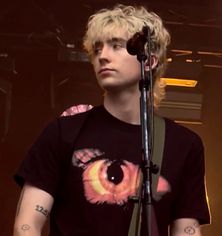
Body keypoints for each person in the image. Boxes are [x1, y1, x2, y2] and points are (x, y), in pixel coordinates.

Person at [13, 4, 210, 236]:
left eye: (117, 46)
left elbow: (187, 230)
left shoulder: (184, 145)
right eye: (97, 50)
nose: (103, 56)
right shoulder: (62, 132)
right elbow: (27, 225)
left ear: (149, 61)